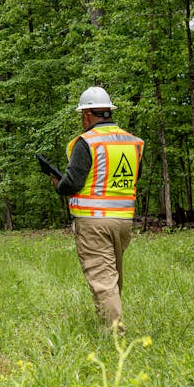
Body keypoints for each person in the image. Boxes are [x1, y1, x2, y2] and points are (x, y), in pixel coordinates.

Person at [50, 86, 144, 333]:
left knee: (102, 278)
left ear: (86, 115)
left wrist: (58, 183)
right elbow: (133, 177)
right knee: (112, 276)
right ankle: (110, 320)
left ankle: (115, 336)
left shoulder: (86, 142)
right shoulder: (132, 143)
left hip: (93, 222)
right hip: (123, 221)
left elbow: (72, 184)